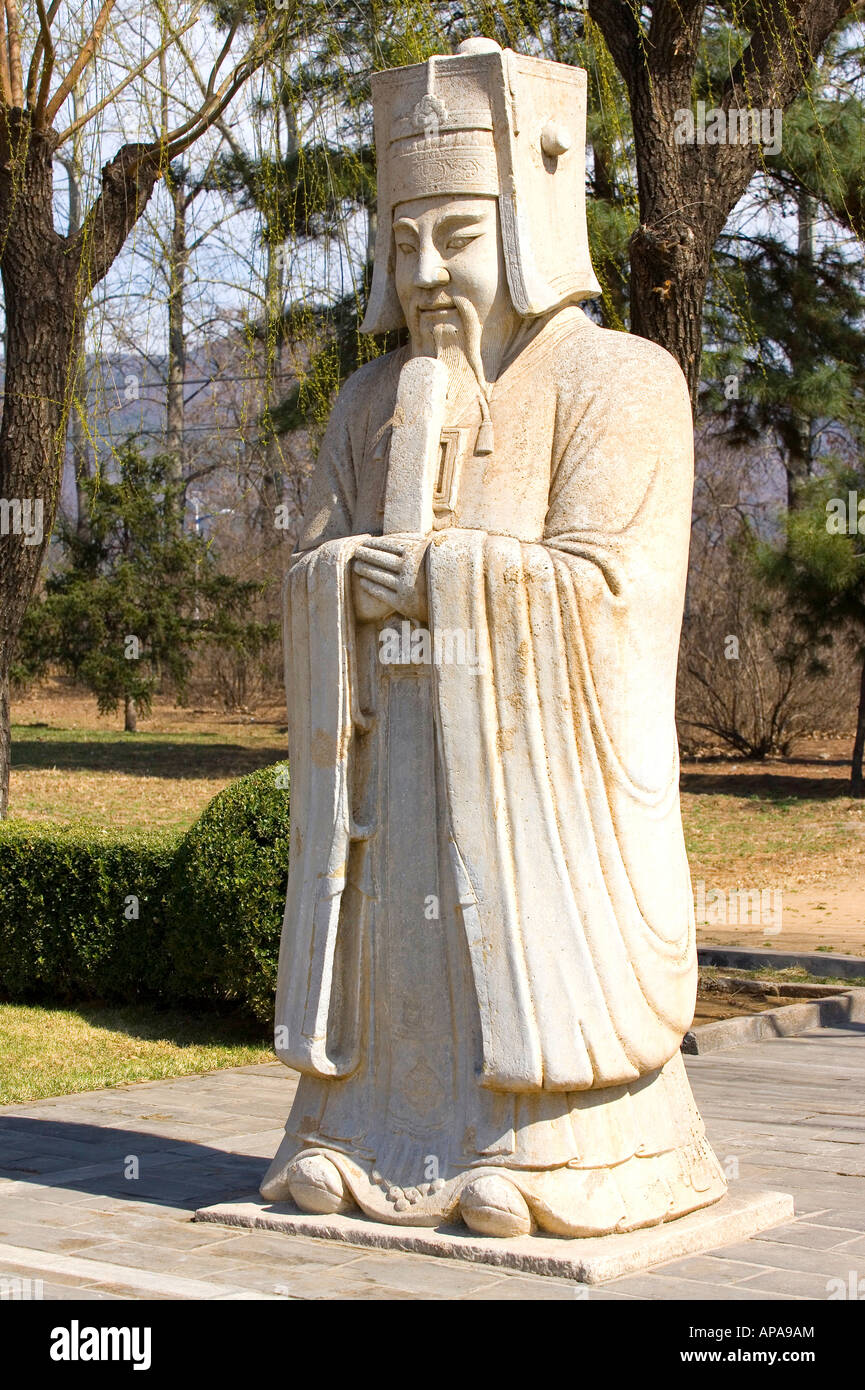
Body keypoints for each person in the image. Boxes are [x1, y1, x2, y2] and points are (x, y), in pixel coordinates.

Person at [261, 38, 727, 1238]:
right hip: (393, 763)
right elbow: (308, 561)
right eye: (400, 240)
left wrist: (448, 576)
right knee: (398, 923)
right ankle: (359, 1132)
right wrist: (339, 586)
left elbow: (611, 593)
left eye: (457, 237)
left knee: (492, 930)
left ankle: (560, 1150)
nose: (425, 273)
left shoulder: (621, 382)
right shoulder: (367, 404)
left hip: (534, 798)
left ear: (528, 225)